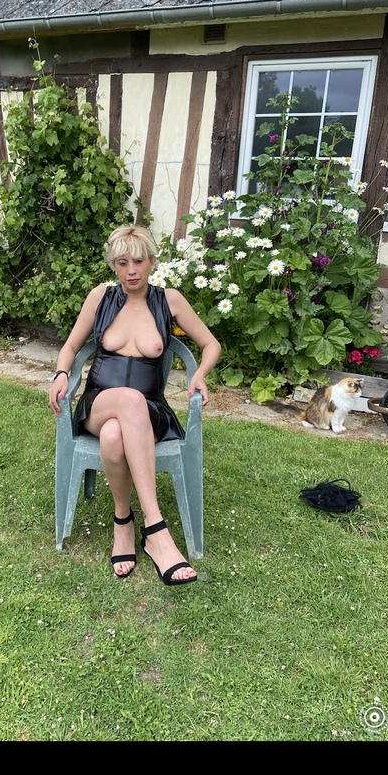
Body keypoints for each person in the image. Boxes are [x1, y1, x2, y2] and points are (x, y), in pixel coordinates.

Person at [48, 224, 221, 586]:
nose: (131, 271)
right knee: (126, 401)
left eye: (139, 261)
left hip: (150, 411)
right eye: (122, 263)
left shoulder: (169, 300)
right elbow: (70, 346)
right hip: (98, 403)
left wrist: (200, 375)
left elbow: (211, 344)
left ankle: (123, 523)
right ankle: (155, 530)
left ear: (152, 262)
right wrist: (62, 373)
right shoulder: (101, 297)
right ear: (113, 265)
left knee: (115, 435)